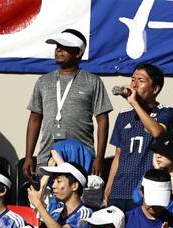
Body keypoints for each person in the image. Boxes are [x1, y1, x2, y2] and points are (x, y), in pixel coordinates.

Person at [24, 31, 109, 181]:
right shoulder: (43, 81)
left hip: (81, 156)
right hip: (48, 156)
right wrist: (29, 155)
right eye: (57, 46)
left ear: (78, 53)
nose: (58, 50)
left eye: (65, 47)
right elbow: (34, 119)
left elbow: (102, 120)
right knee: (49, 199)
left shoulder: (92, 81)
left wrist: (99, 158)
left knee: (77, 199)